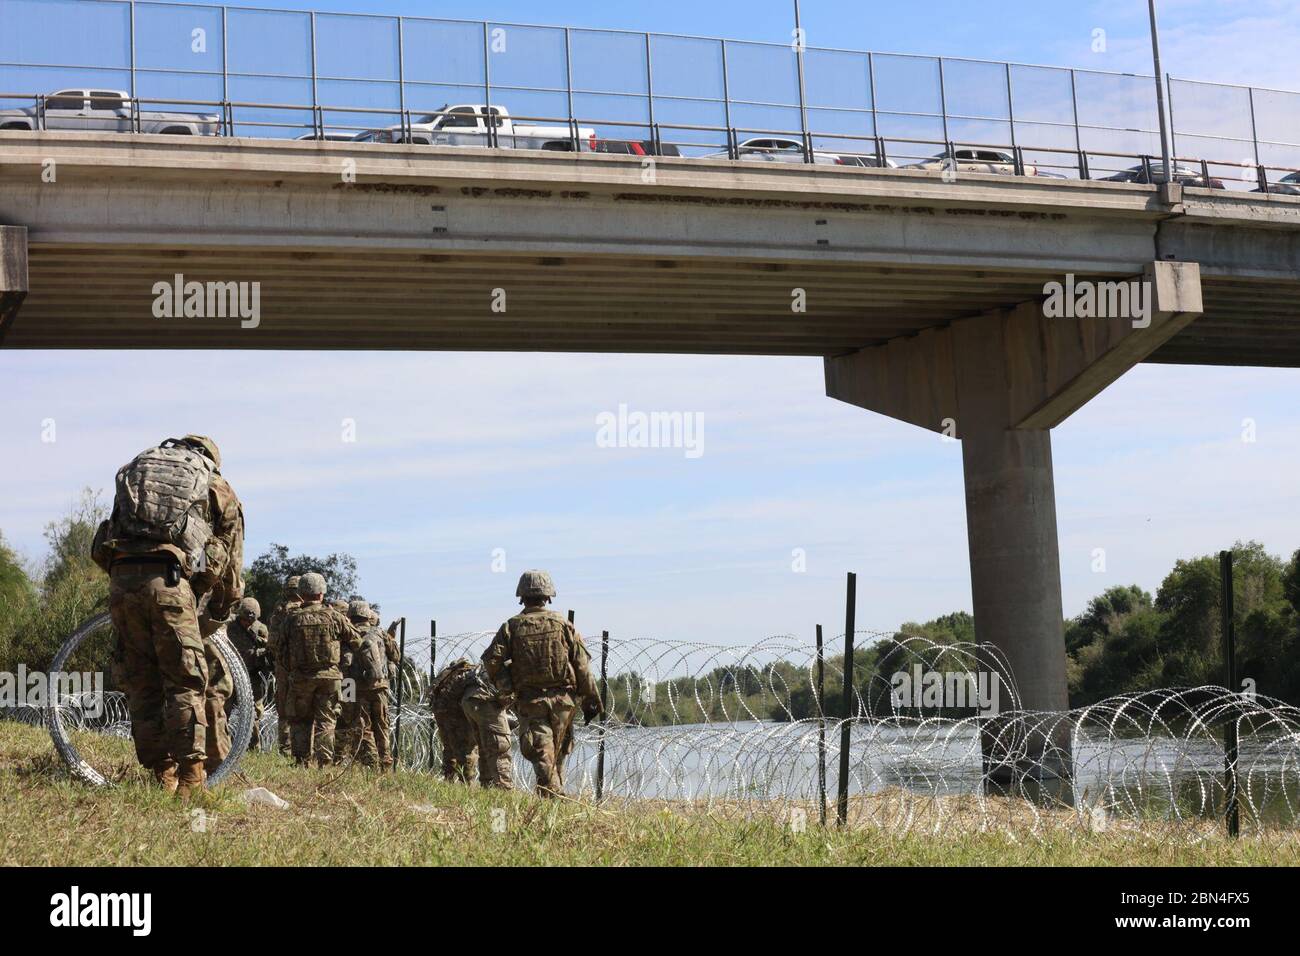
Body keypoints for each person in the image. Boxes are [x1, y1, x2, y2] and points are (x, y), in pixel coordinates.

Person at [90, 435, 244, 797]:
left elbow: (103, 543)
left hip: (122, 580)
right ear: (211, 459)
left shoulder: (137, 473)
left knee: (142, 682)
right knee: (185, 681)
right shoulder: (216, 485)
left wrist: (126, 577)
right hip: (172, 585)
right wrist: (213, 610)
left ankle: (162, 774)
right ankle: (192, 779)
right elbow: (231, 569)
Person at [482, 570, 601, 798]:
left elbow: (492, 662)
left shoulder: (511, 627)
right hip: (563, 702)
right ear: (548, 595)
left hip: (531, 701)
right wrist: (590, 700)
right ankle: (554, 801)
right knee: (555, 756)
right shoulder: (564, 625)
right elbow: (582, 666)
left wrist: (509, 687)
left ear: (521, 596)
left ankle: (552, 803)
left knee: (544, 755)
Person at [282, 573, 361, 767]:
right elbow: (357, 641)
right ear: (321, 593)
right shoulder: (334, 616)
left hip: (301, 676)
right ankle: (324, 762)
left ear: (301, 594)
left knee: (300, 720)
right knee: (326, 720)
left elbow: (277, 646)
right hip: (330, 677)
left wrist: (290, 666)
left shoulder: (291, 618)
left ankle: (301, 762)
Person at [347, 601, 393, 771]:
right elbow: (395, 654)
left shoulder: (347, 633)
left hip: (353, 686)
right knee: (382, 726)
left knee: (359, 725)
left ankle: (369, 762)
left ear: (350, 615)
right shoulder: (379, 633)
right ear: (368, 615)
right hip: (379, 686)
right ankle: (385, 763)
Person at [225, 597, 271, 751]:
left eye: (251, 620)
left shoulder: (260, 629)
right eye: (245, 620)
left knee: (252, 714)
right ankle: (223, 746)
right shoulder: (229, 625)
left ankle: (253, 748)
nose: (248, 623)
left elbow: (269, 652)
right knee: (223, 711)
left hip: (251, 677)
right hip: (229, 675)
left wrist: (260, 650)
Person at [461, 663, 514, 789]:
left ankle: (488, 785)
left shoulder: (509, 656)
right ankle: (504, 790)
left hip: (472, 698)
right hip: (485, 699)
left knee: (486, 746)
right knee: (500, 746)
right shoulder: (522, 662)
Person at [267, 575, 301, 755]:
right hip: (303, 666)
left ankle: (285, 747)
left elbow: (271, 642)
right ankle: (302, 748)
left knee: (283, 707)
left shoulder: (279, 611)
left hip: (283, 665)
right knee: (303, 707)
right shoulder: (306, 609)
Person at [430, 659, 478, 782]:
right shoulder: (468, 676)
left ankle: (448, 778)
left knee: (449, 748)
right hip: (452, 711)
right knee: (465, 748)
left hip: (440, 710)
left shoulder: (447, 675)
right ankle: (468, 783)